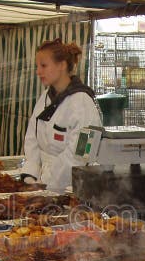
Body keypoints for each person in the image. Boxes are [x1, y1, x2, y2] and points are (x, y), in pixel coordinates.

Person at [21, 39, 102, 192]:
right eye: (37, 66)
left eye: (43, 66)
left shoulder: (83, 103)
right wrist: (30, 175)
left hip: (72, 187)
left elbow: (81, 154)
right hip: (44, 184)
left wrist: (52, 185)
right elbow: (32, 137)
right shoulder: (45, 97)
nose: (38, 72)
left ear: (62, 65)